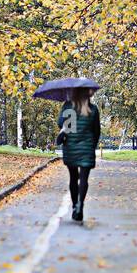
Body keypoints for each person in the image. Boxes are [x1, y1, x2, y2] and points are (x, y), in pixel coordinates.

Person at [57, 88, 100, 221]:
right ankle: (81, 204)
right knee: (84, 179)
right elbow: (96, 131)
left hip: (71, 147)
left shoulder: (68, 107)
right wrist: (92, 146)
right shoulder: (92, 109)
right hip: (87, 148)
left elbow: (60, 124)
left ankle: (75, 205)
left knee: (73, 178)